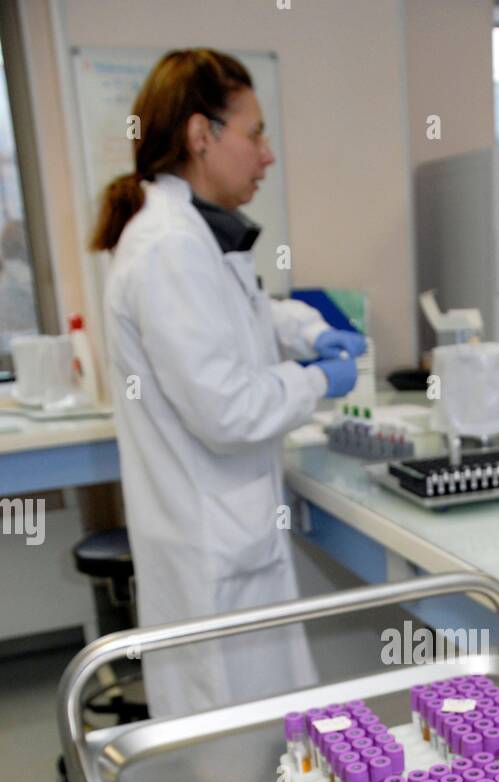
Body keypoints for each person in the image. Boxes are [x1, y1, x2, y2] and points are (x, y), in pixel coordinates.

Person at [90, 49, 365, 717]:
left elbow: (244, 311)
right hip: (208, 544)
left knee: (258, 733)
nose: (266, 155)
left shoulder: (192, 236)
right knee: (231, 747)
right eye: (256, 132)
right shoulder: (169, 248)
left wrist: (308, 334)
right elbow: (228, 410)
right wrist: (315, 381)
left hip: (226, 529)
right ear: (200, 134)